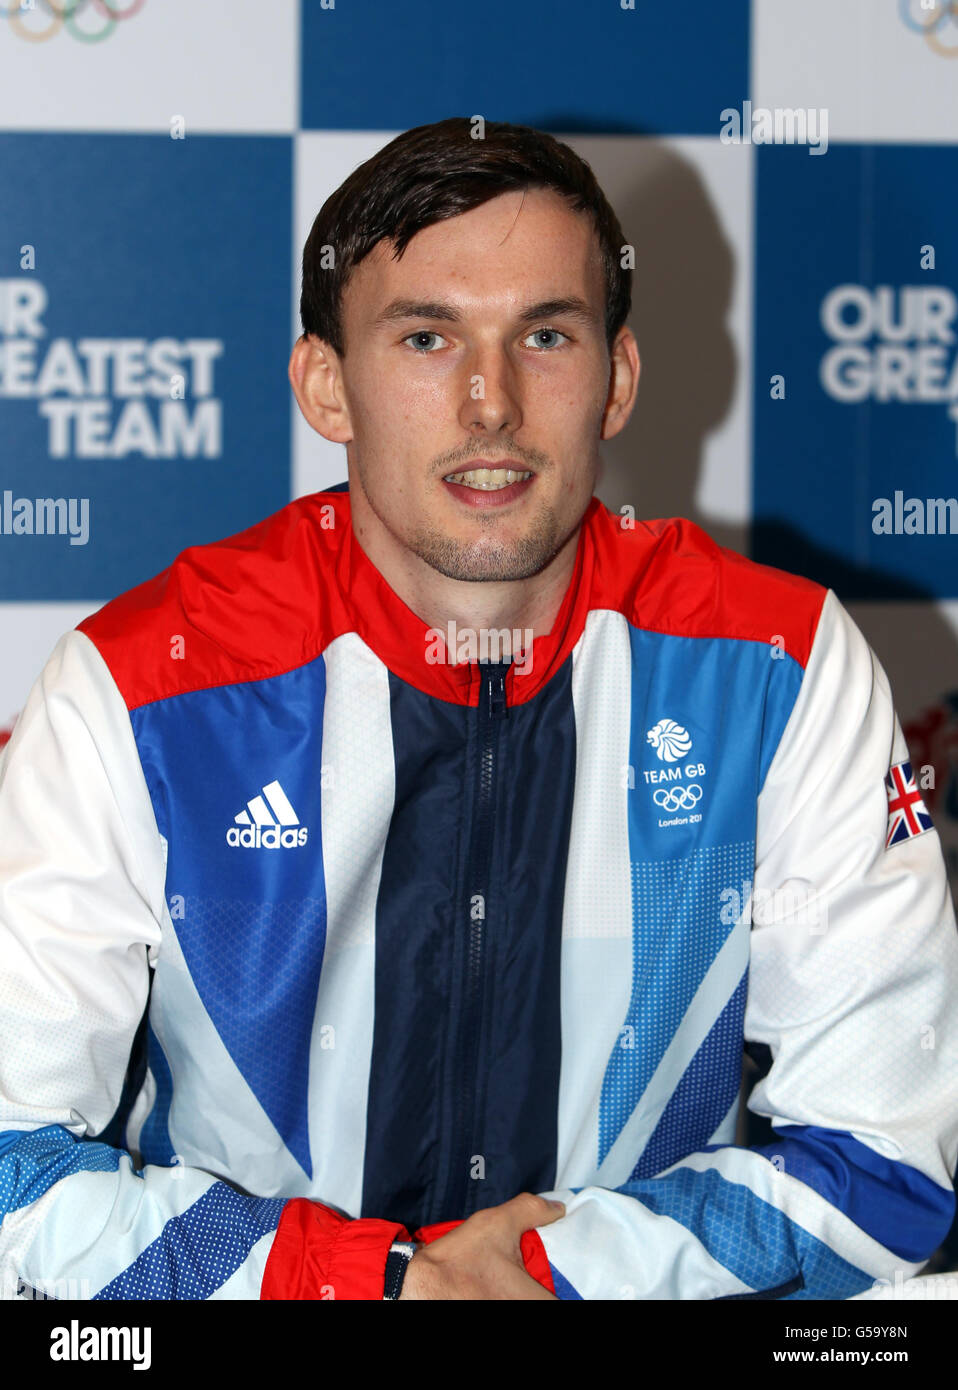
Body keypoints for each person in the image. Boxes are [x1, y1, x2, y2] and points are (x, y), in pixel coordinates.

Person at [1, 117, 956, 1303]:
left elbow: (884, 1163)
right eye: (424, 337)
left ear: (617, 379)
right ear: (325, 386)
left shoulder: (779, 663)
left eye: (544, 335)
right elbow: (9, 1165)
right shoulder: (141, 684)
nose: (489, 402)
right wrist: (367, 1284)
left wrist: (555, 1275)